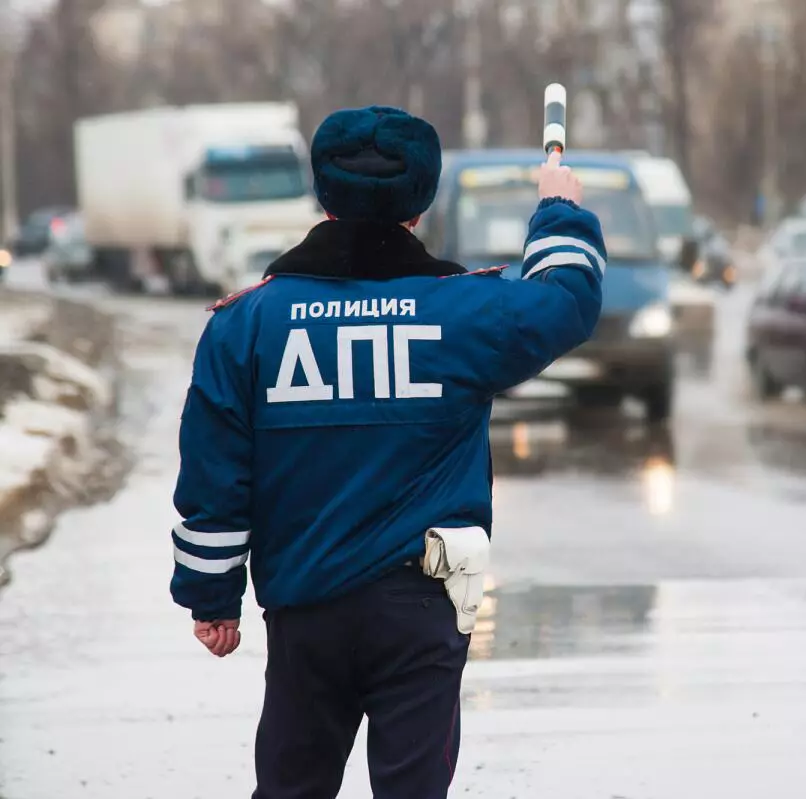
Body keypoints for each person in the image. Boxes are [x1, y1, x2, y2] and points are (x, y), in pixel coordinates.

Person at [169, 105, 606, 798]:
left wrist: (211, 596)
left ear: (323, 193)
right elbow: (568, 301)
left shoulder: (246, 322)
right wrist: (557, 207)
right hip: (422, 611)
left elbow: (216, 470)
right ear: (422, 199)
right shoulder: (464, 313)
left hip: (304, 608)